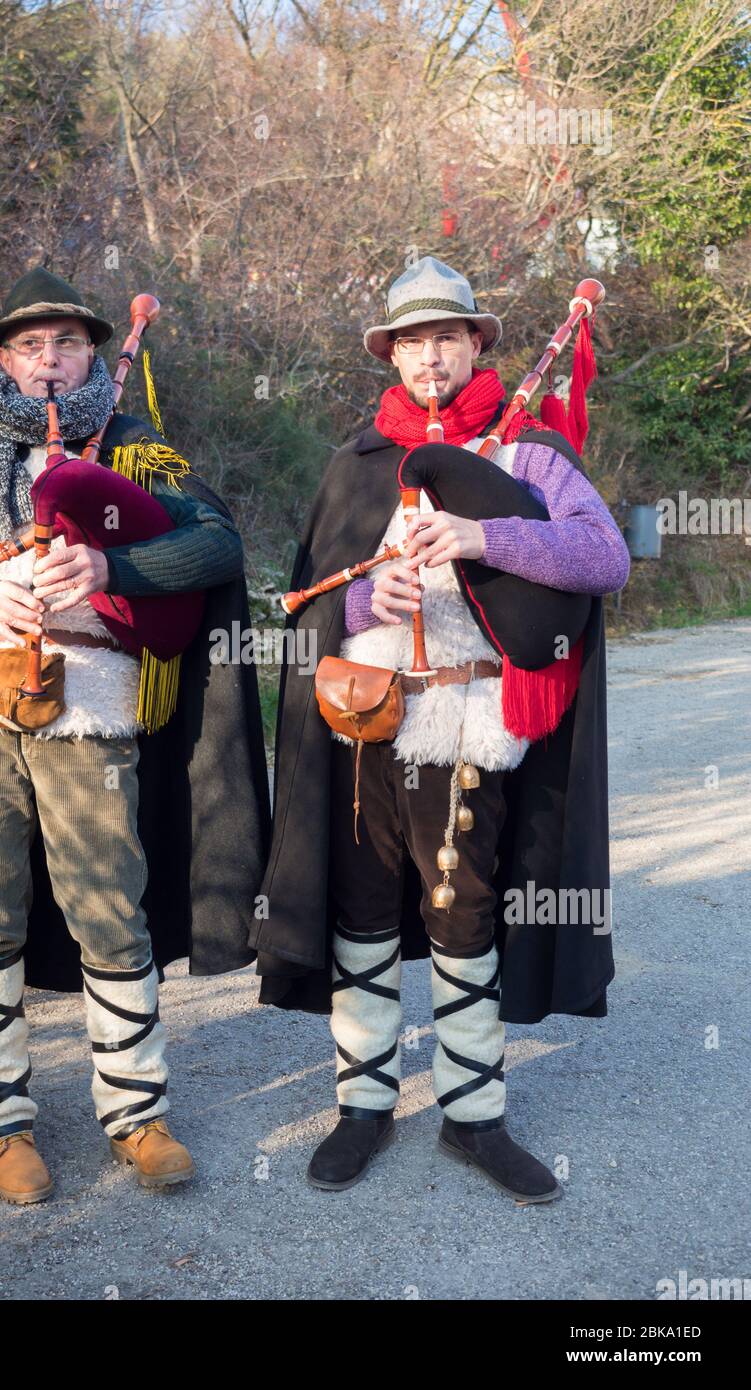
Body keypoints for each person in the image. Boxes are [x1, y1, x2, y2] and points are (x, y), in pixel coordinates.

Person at [0, 267, 270, 1203]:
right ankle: (0, 1124)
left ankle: (136, 1115)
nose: (48, 359)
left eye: (66, 342)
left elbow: (217, 546)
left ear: (93, 353)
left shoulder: (136, 446)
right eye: (30, 345)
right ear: (3, 358)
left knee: (110, 910)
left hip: (91, 709)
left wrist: (110, 561)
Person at [251, 255, 630, 1199]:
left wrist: (481, 536)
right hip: (363, 715)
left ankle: (472, 1115)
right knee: (362, 913)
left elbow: (603, 556)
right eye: (411, 340)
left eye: (445, 337)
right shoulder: (357, 461)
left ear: (473, 345)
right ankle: (364, 1103)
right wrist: (354, 602)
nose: (429, 355)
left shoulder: (530, 449)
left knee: (462, 914)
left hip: (466, 722)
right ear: (392, 354)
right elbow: (311, 594)